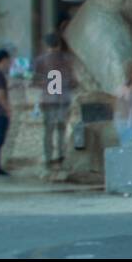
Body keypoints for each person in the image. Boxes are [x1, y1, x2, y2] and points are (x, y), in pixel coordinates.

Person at [33, 29, 76, 166]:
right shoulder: (67, 59)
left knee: (48, 131)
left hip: (48, 99)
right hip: (63, 99)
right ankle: (62, 156)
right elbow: (73, 81)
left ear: (46, 45)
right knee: (62, 130)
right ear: (59, 44)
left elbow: (35, 82)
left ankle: (48, 157)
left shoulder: (40, 61)